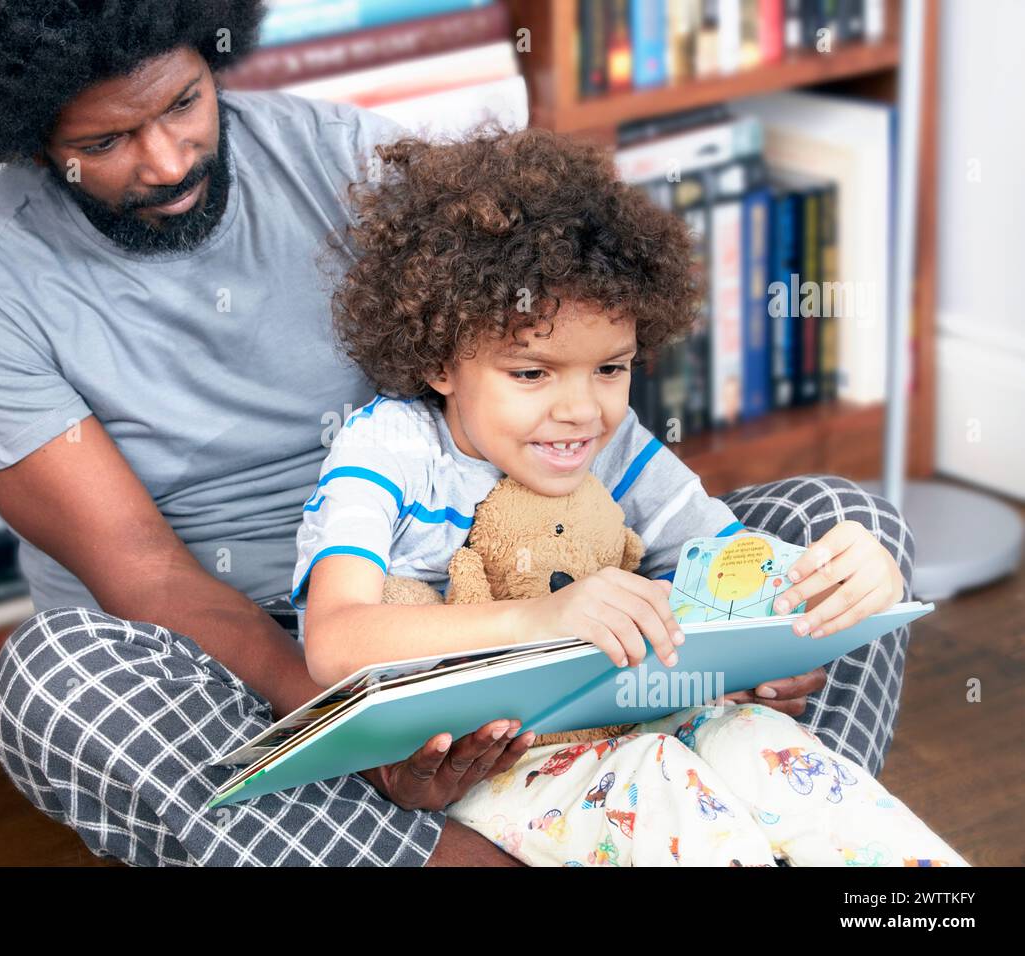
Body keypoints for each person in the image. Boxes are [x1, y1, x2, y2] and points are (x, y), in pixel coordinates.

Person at [0, 0, 911, 866]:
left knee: (846, 526)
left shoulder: (335, 160)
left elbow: (532, 392)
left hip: (480, 587)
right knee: (54, 687)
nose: (165, 159)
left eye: (182, 103)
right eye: (105, 142)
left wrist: (752, 626)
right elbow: (149, 580)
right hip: (240, 658)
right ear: (28, 135)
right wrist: (369, 726)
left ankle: (757, 811)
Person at [293, 128, 966, 866]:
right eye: (531, 374)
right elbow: (334, 640)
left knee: (765, 745)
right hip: (496, 762)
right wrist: (541, 620)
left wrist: (828, 586)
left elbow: (729, 561)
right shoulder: (387, 447)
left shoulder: (613, 447)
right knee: (664, 785)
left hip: (635, 718)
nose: (582, 410)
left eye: (610, 369)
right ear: (439, 361)